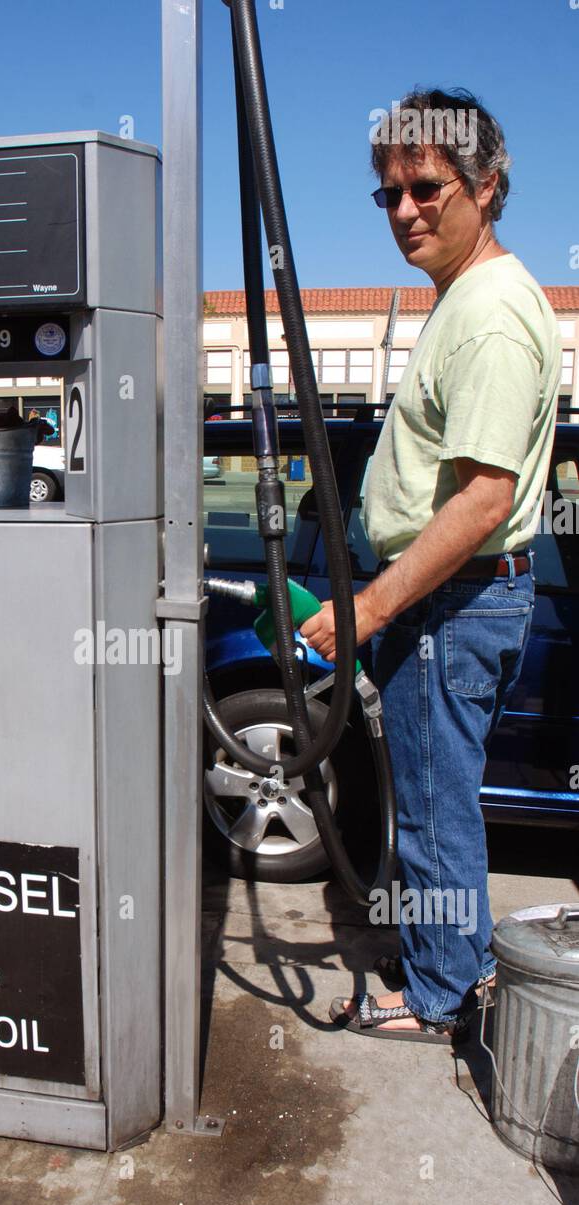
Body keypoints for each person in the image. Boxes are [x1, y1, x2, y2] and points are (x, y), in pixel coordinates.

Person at [299, 88, 561, 1042]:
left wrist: (368, 606)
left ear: (484, 189)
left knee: (435, 810)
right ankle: (449, 968)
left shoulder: (490, 314)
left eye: (425, 189)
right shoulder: (463, 297)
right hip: (448, 603)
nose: (405, 210)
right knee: (427, 797)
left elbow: (484, 500)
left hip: (451, 605)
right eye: (388, 195)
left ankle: (441, 994)